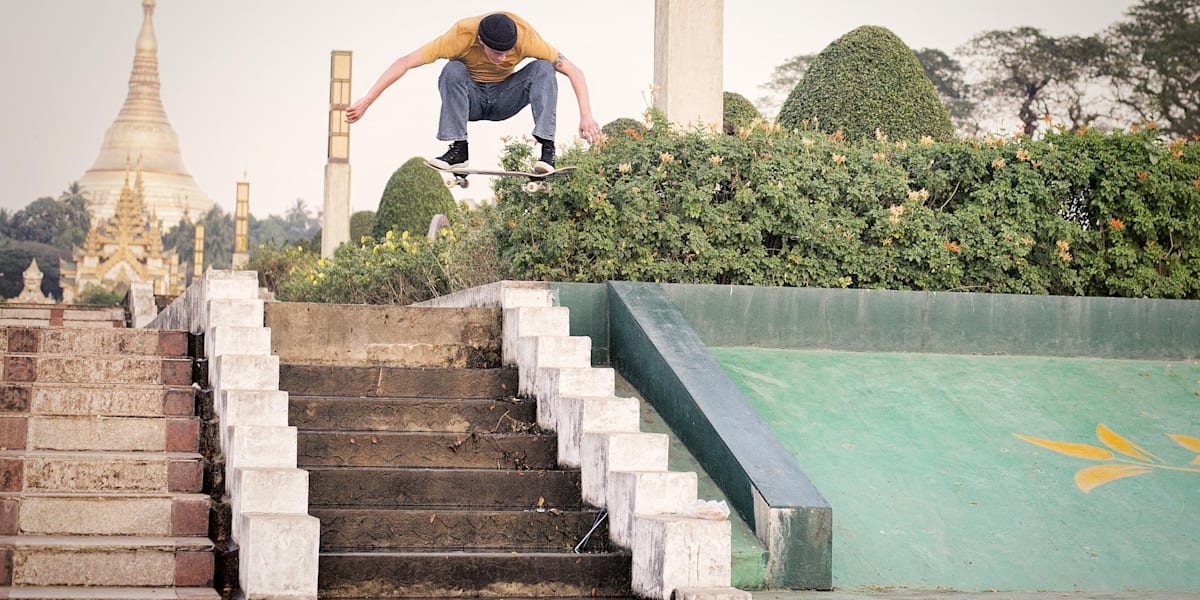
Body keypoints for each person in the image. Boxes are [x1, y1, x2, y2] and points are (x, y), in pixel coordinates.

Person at [346, 12, 601, 174]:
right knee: (452, 69)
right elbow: (404, 62)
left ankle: (547, 149)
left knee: (544, 68)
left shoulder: (526, 37)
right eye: (496, 52)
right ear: (480, 40)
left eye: (507, 53)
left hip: (505, 97)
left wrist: (586, 115)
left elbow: (575, 72)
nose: (502, 59)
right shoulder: (459, 36)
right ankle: (459, 149)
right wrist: (368, 100)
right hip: (472, 101)